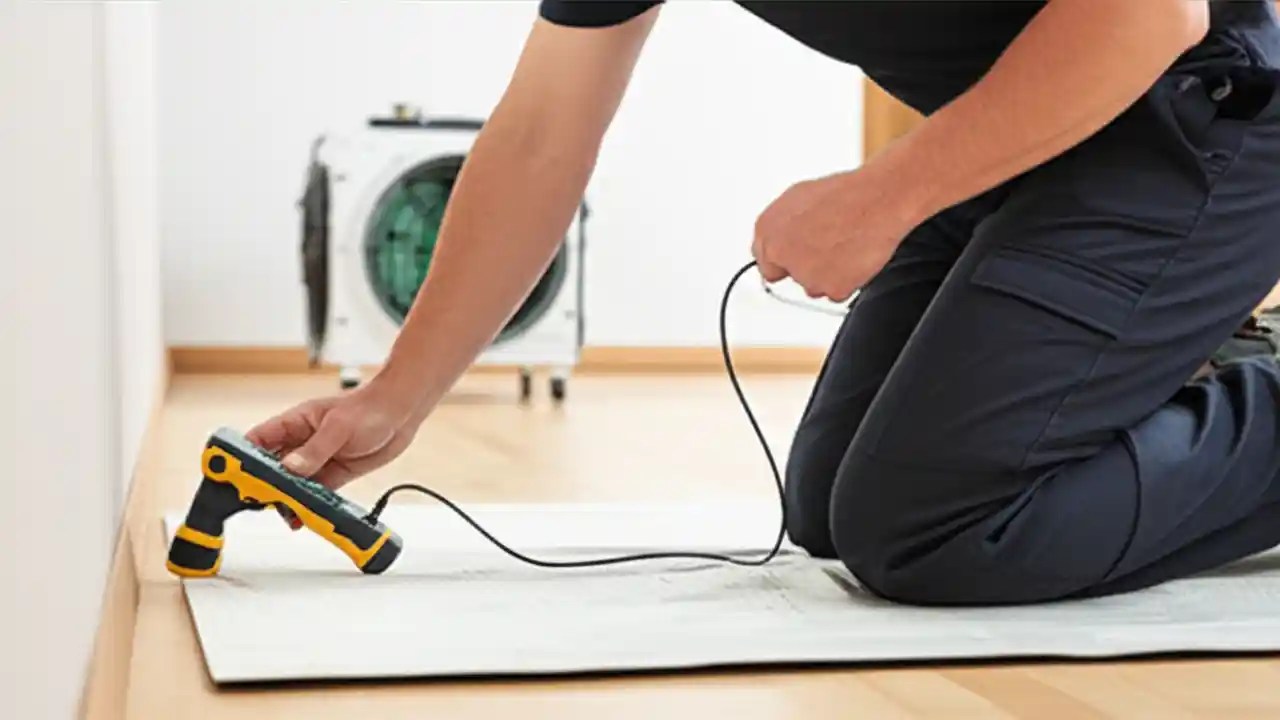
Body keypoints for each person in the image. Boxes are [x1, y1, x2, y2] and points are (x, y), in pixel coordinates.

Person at [248, 1, 1280, 605]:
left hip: (1202, 125)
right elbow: (538, 135)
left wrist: (884, 195)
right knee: (828, 511)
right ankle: (1185, 348)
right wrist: (394, 397)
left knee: (922, 525)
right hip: (1010, 159)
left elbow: (1150, 13)